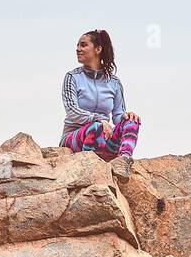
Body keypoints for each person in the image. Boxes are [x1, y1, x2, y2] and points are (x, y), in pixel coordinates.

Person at [59, 29, 140, 176]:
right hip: (74, 139)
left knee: (132, 122)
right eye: (77, 45)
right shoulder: (72, 77)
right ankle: (90, 169)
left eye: (83, 45)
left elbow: (117, 115)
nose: (78, 49)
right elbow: (72, 111)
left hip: (103, 138)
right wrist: (98, 119)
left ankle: (123, 161)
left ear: (98, 49)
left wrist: (125, 116)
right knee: (95, 127)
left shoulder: (114, 83)